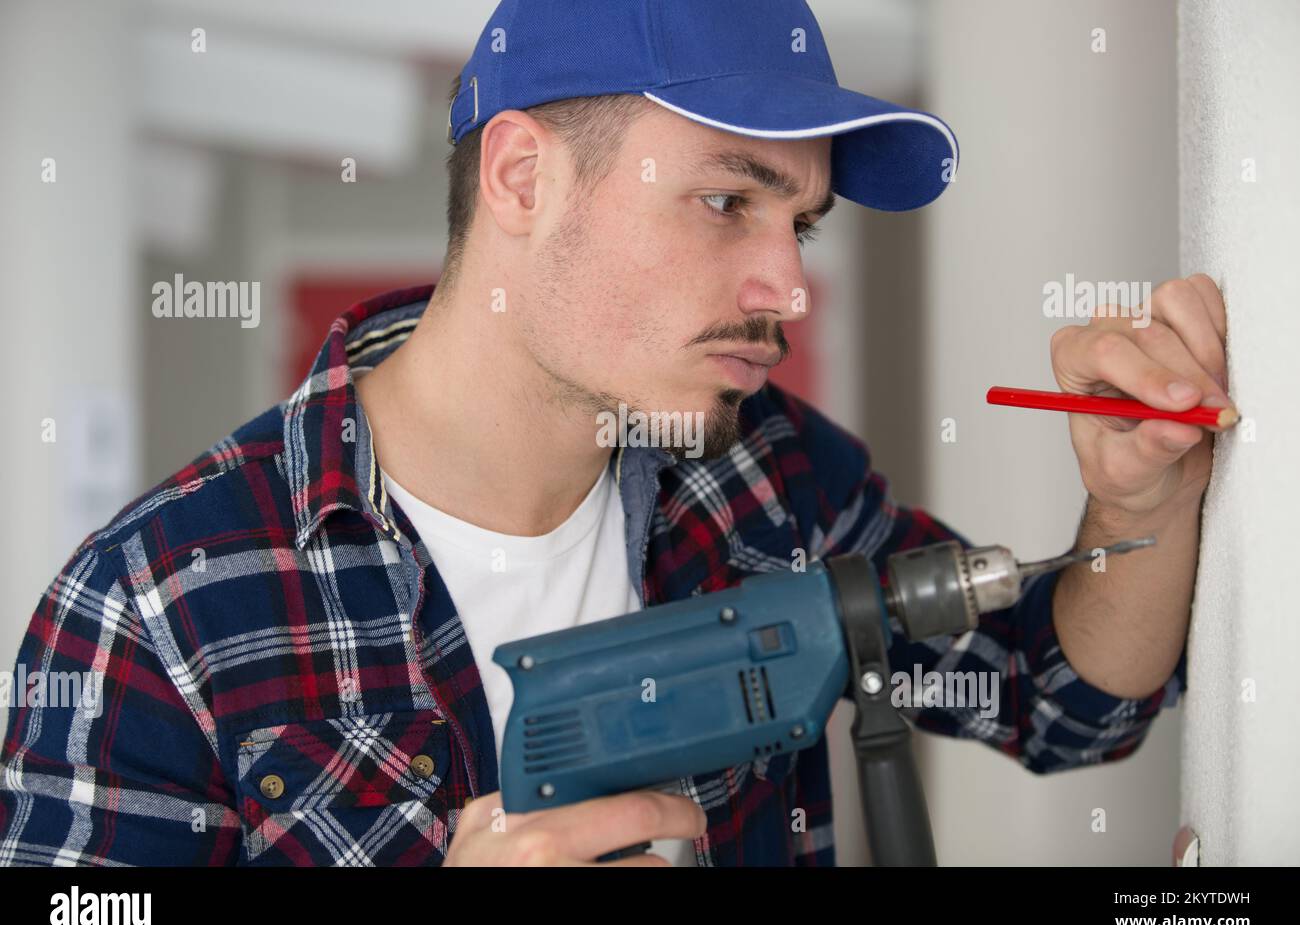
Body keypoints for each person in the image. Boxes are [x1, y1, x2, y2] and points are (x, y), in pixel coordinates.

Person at [1, 0, 1222, 867]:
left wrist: (1137, 501)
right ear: (522, 180)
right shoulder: (154, 603)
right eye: (725, 199)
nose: (786, 288)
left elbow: (1062, 702)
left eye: (795, 224)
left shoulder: (771, 479)